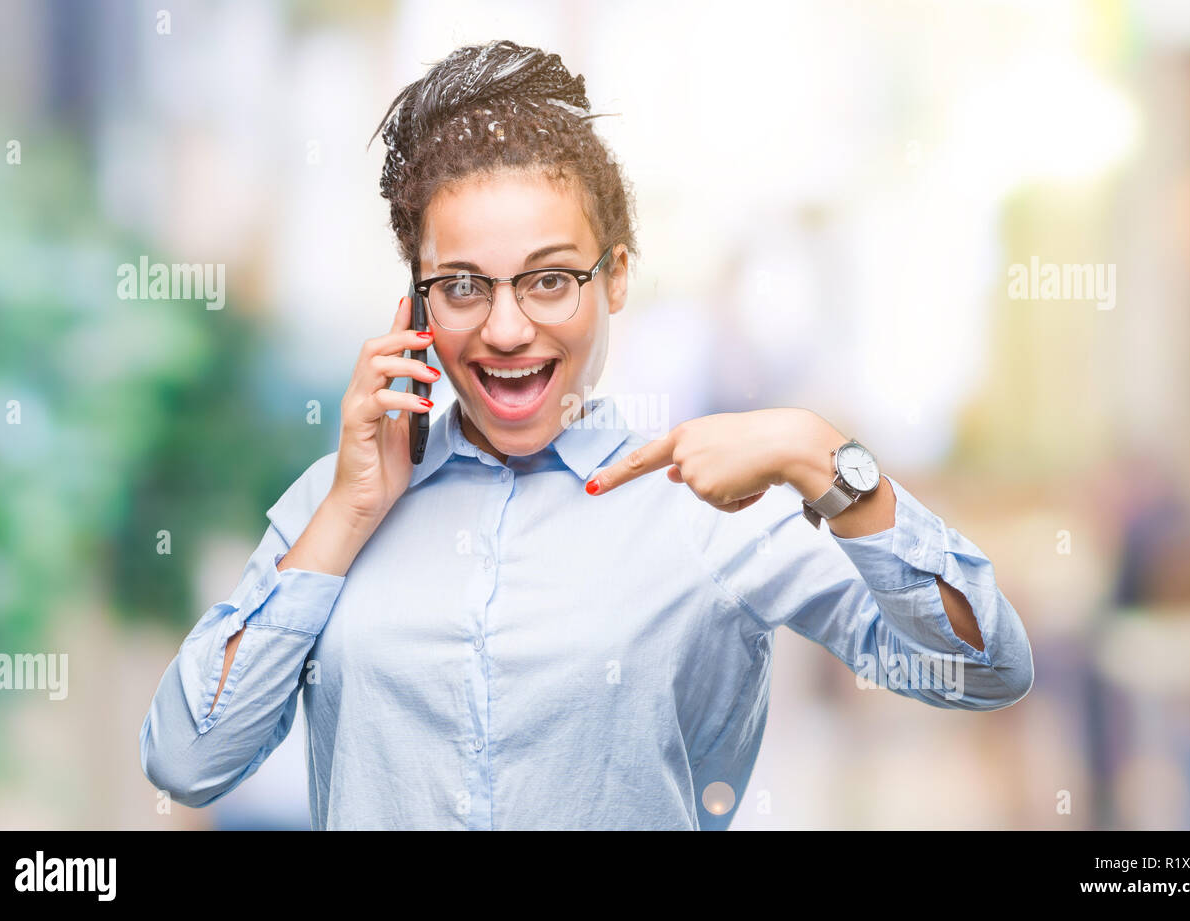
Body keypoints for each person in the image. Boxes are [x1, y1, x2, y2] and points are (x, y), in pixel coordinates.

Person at [139, 39, 1033, 830]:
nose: (505, 328)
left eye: (549, 280)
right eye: (462, 285)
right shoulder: (337, 504)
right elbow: (188, 761)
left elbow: (984, 666)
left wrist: (817, 453)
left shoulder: (710, 505)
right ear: (414, 302)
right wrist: (345, 512)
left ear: (616, 280)